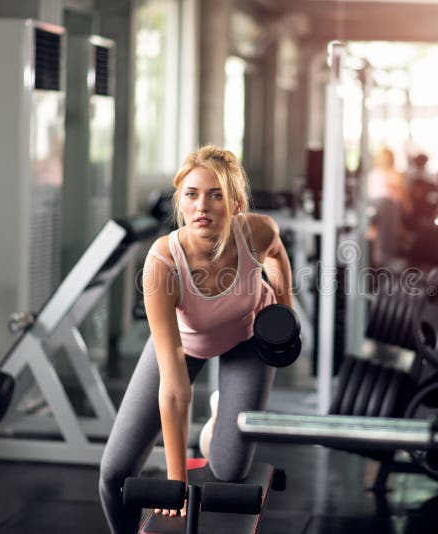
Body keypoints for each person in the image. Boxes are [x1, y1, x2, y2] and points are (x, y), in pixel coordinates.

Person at [99, 145, 294, 533]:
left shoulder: (256, 231)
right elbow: (174, 391)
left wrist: (284, 312)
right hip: (185, 344)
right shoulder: (163, 263)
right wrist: (177, 480)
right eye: (191, 194)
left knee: (229, 469)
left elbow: (276, 254)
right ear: (180, 201)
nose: (201, 205)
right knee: (114, 473)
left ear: (236, 204)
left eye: (215, 194)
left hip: (247, 336)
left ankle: (219, 419)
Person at [367, 147, 406, 268]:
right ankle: (385, 257)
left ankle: (381, 257)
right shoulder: (390, 174)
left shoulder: (373, 173)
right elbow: (398, 194)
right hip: (384, 207)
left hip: (373, 206)